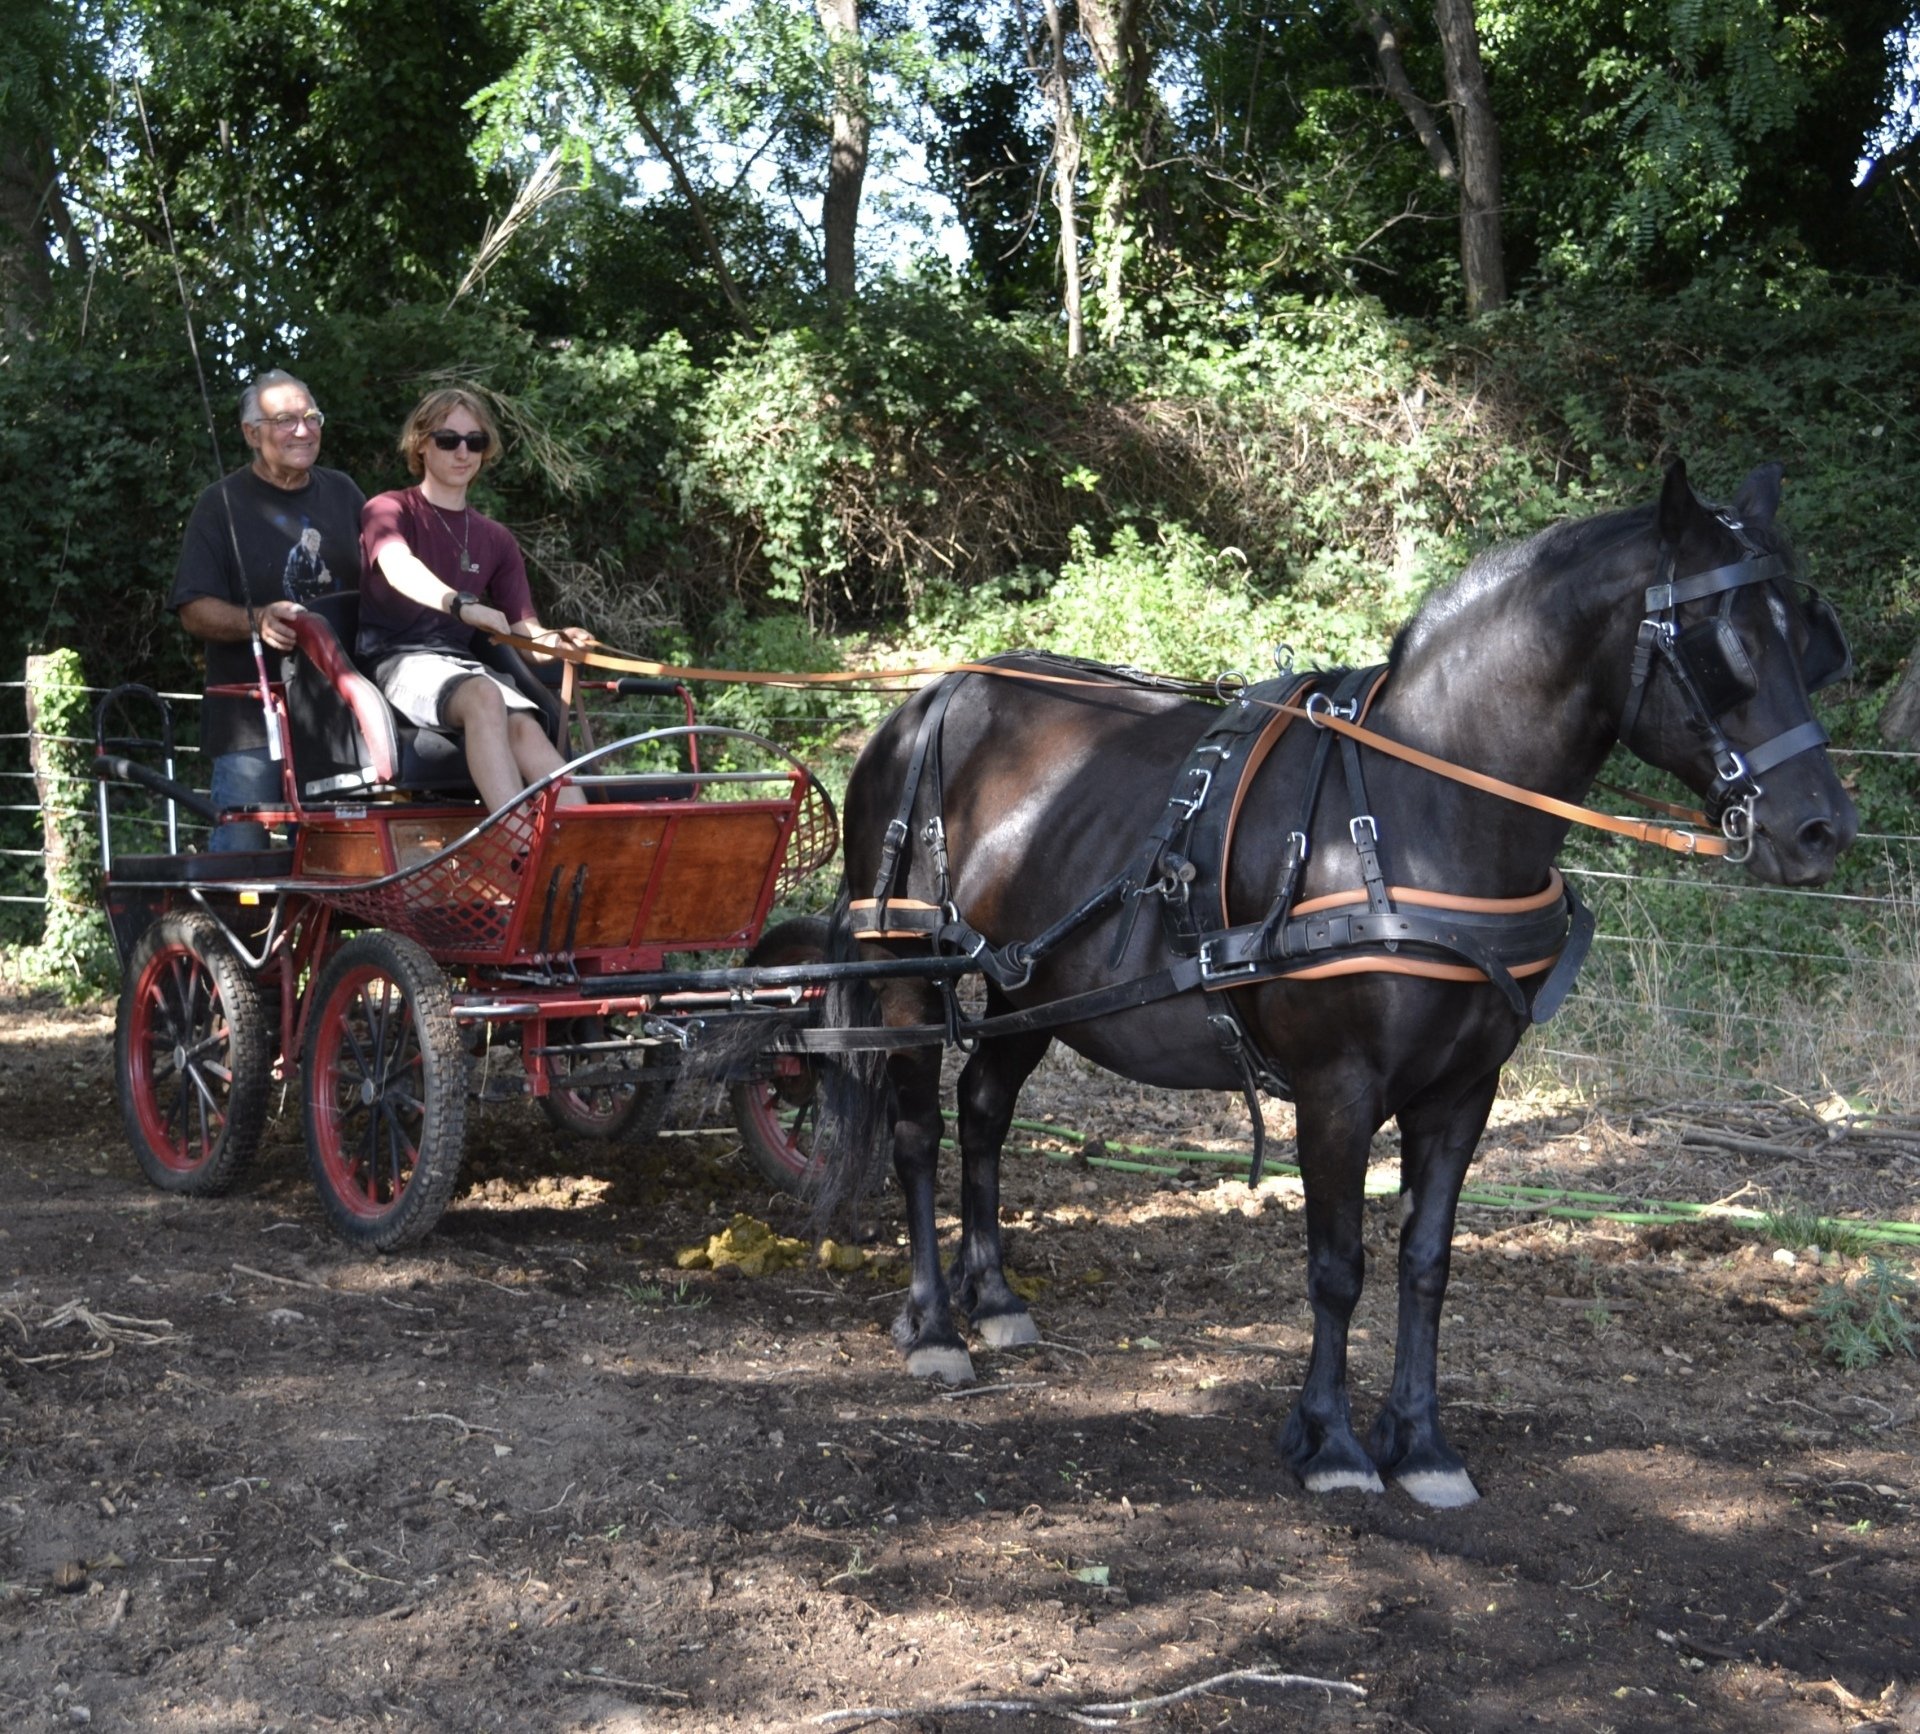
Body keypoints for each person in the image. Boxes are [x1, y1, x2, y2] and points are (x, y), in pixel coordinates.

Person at [357, 388, 593, 815]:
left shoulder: (496, 538)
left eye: (475, 441)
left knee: (527, 729)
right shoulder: (389, 508)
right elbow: (397, 566)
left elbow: (526, 630)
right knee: (486, 695)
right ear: (421, 444)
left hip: (461, 665)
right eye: (448, 439)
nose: (462, 451)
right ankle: (517, 845)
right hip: (396, 659)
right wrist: (461, 605)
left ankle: (583, 849)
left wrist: (557, 642)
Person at [170, 369, 364, 851]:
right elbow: (192, 608)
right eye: (285, 420)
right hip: (250, 724)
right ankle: (227, 930)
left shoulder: (344, 493)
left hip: (335, 720)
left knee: (338, 865)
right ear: (251, 434)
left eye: (311, 417)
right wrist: (255, 620)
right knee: (241, 858)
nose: (303, 430)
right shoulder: (219, 505)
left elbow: (383, 583)